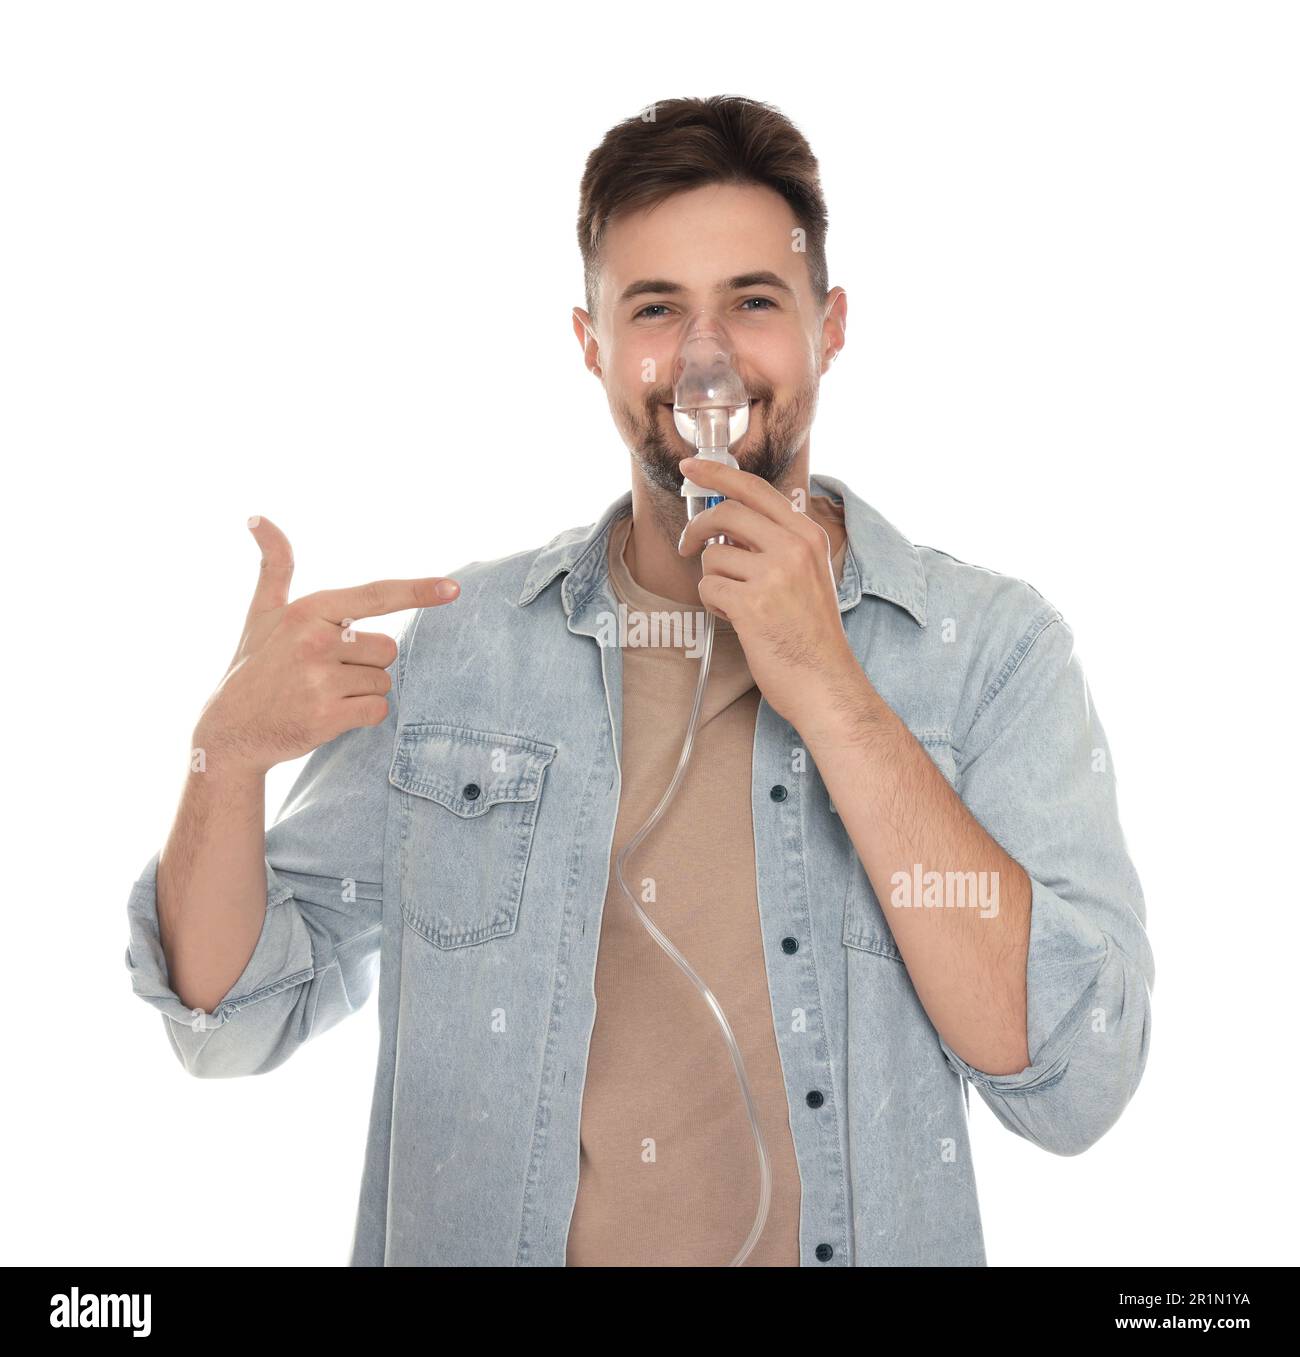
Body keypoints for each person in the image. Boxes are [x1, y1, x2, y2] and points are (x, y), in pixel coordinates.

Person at [124, 94, 1154, 1267]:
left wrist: (828, 684)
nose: (705, 358)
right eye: (656, 308)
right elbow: (228, 1016)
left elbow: (1075, 1081)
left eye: (754, 303)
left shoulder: (990, 652)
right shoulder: (466, 656)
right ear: (592, 342)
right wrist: (227, 758)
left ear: (828, 325)